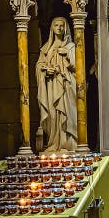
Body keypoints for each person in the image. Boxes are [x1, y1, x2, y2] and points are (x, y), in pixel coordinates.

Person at [36, 17, 77, 152]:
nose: (59, 28)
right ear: (52, 28)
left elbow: (79, 67)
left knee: (67, 112)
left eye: (61, 25)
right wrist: (45, 70)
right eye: (56, 25)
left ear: (65, 28)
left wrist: (68, 55)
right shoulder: (46, 48)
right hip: (51, 84)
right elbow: (39, 65)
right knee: (53, 114)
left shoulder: (71, 47)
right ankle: (54, 142)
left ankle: (67, 143)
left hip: (66, 85)